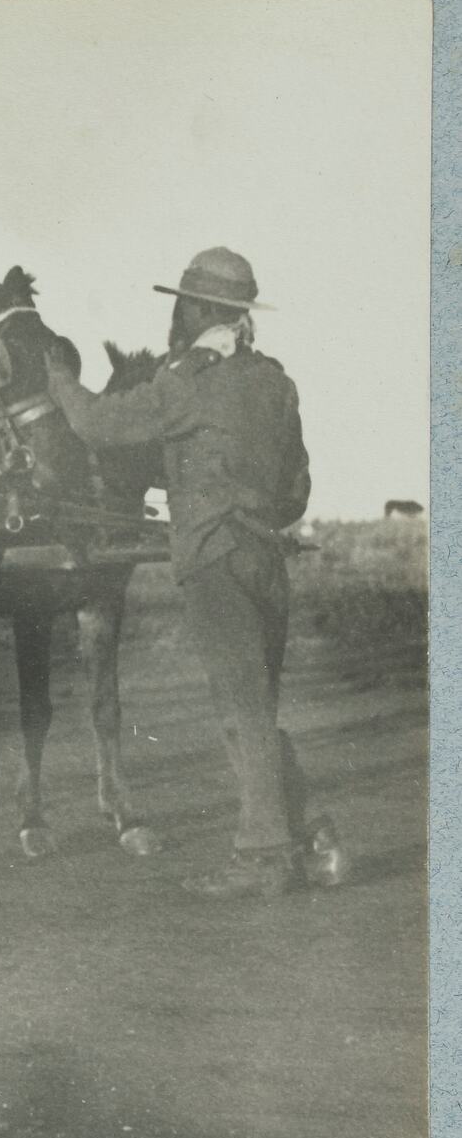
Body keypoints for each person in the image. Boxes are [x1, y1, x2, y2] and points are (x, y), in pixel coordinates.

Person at [43, 247, 346, 899]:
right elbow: (297, 490)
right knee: (256, 705)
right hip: (267, 564)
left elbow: (97, 424)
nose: (175, 315)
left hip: (214, 563)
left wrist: (63, 380)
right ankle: (311, 830)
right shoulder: (274, 383)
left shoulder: (187, 382)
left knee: (243, 713)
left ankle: (263, 857)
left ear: (199, 310)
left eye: (181, 303)